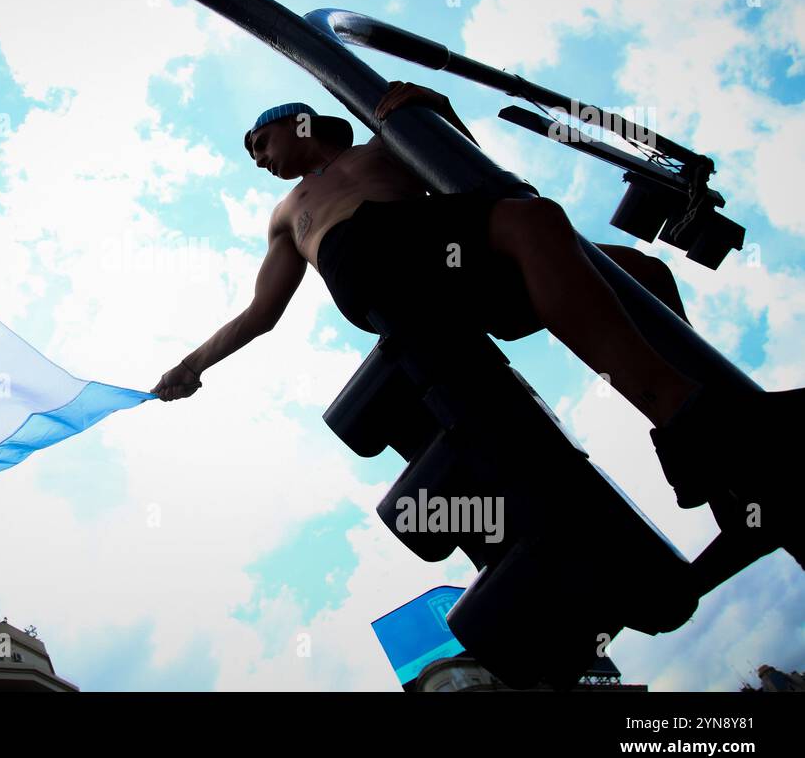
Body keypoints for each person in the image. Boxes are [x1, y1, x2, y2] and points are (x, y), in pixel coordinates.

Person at [151, 84, 801, 561]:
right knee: (531, 219)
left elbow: (464, 172)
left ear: (297, 124)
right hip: (373, 266)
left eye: (259, 143)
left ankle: (721, 470)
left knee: (637, 276)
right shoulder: (287, 211)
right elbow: (263, 312)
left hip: (450, 254)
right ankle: (685, 412)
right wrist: (191, 364)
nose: (257, 159)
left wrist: (432, 106)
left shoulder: (386, 145)